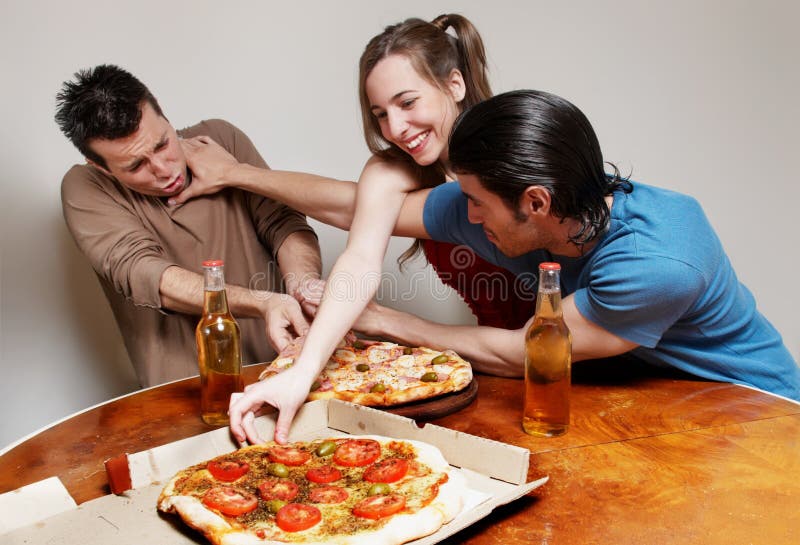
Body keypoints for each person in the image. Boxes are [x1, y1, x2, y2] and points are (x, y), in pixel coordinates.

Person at [228, 89, 800, 443]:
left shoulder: (658, 261)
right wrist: (237, 173)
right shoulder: (508, 207)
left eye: (474, 201)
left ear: (536, 203)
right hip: (652, 401)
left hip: (756, 413)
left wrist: (387, 322)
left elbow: (528, 350)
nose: (464, 215)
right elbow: (371, 208)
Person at [173, 14, 535, 331]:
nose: (396, 128)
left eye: (408, 103)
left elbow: (349, 209)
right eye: (380, 114)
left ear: (455, 85)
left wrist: (236, 173)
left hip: (569, 349)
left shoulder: (515, 150)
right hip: (500, 363)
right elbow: (353, 208)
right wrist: (235, 174)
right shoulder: (411, 175)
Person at [55, 64, 321, 387]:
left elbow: (284, 223)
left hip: (290, 370)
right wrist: (263, 303)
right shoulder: (85, 187)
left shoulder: (221, 138)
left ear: (165, 118)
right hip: (190, 396)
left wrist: (304, 285)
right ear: (100, 167)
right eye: (137, 165)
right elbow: (148, 274)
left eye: (162, 144)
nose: (164, 170)